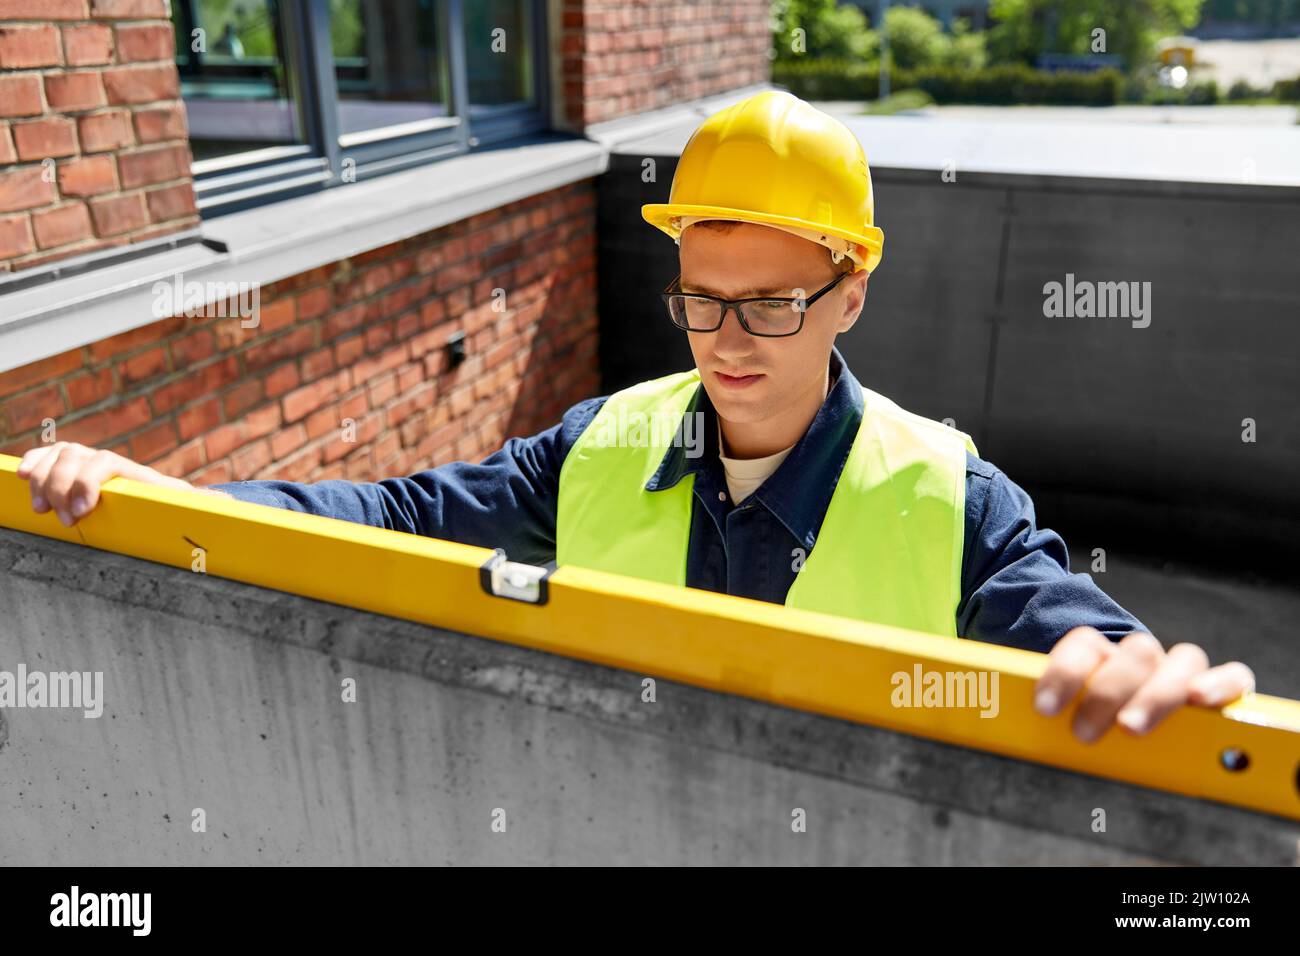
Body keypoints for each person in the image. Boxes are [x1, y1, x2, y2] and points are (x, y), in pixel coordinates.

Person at [16, 91, 1253, 743]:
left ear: (850, 293)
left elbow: (1079, 636)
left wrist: (1132, 671)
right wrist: (175, 497)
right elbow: (396, 511)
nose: (723, 342)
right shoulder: (604, 441)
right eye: (700, 301)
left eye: (769, 306)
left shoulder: (949, 494)